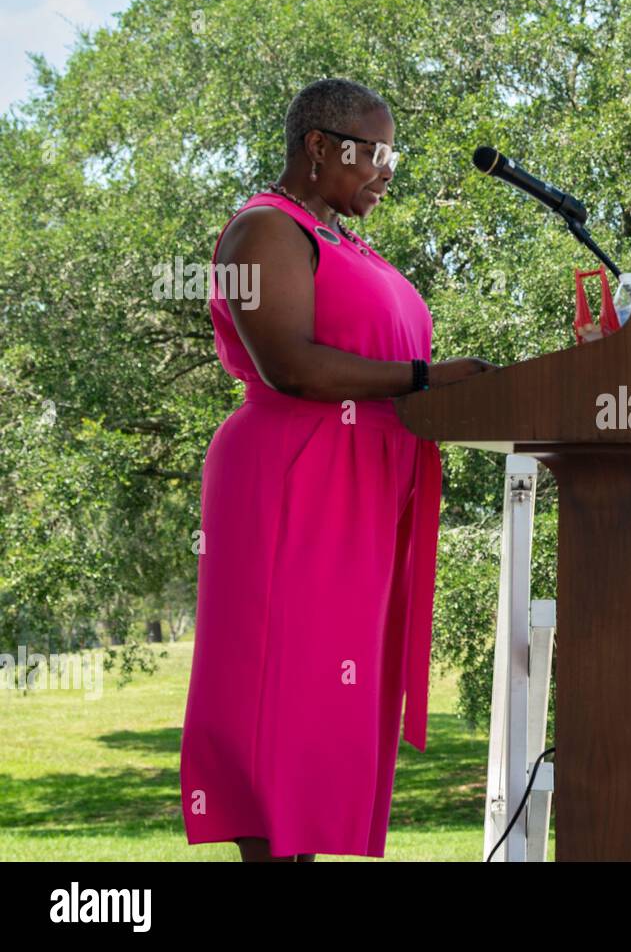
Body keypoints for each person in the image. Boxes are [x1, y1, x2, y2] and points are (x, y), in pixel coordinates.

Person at [179, 79, 497, 862]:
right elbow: (291, 365)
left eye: (395, 154)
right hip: (294, 480)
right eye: (375, 152)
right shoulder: (264, 230)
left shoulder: (353, 244)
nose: (388, 170)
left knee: (330, 703)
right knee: (281, 695)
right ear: (318, 147)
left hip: (367, 487)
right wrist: (426, 378)